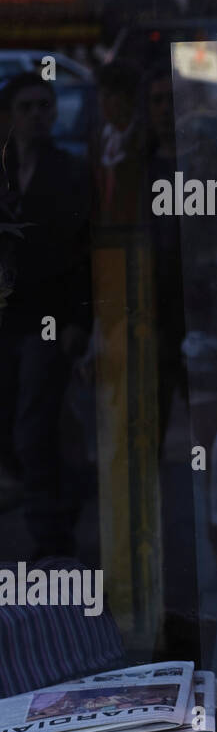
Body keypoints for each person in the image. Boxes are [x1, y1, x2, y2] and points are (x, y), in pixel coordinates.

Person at [0, 72, 94, 560]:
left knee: (33, 430)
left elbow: (83, 254)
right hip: (7, 320)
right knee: (16, 430)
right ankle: (57, 504)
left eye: (44, 106)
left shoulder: (70, 172)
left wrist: (80, 321)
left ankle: (50, 536)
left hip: (47, 320)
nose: (37, 115)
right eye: (26, 107)